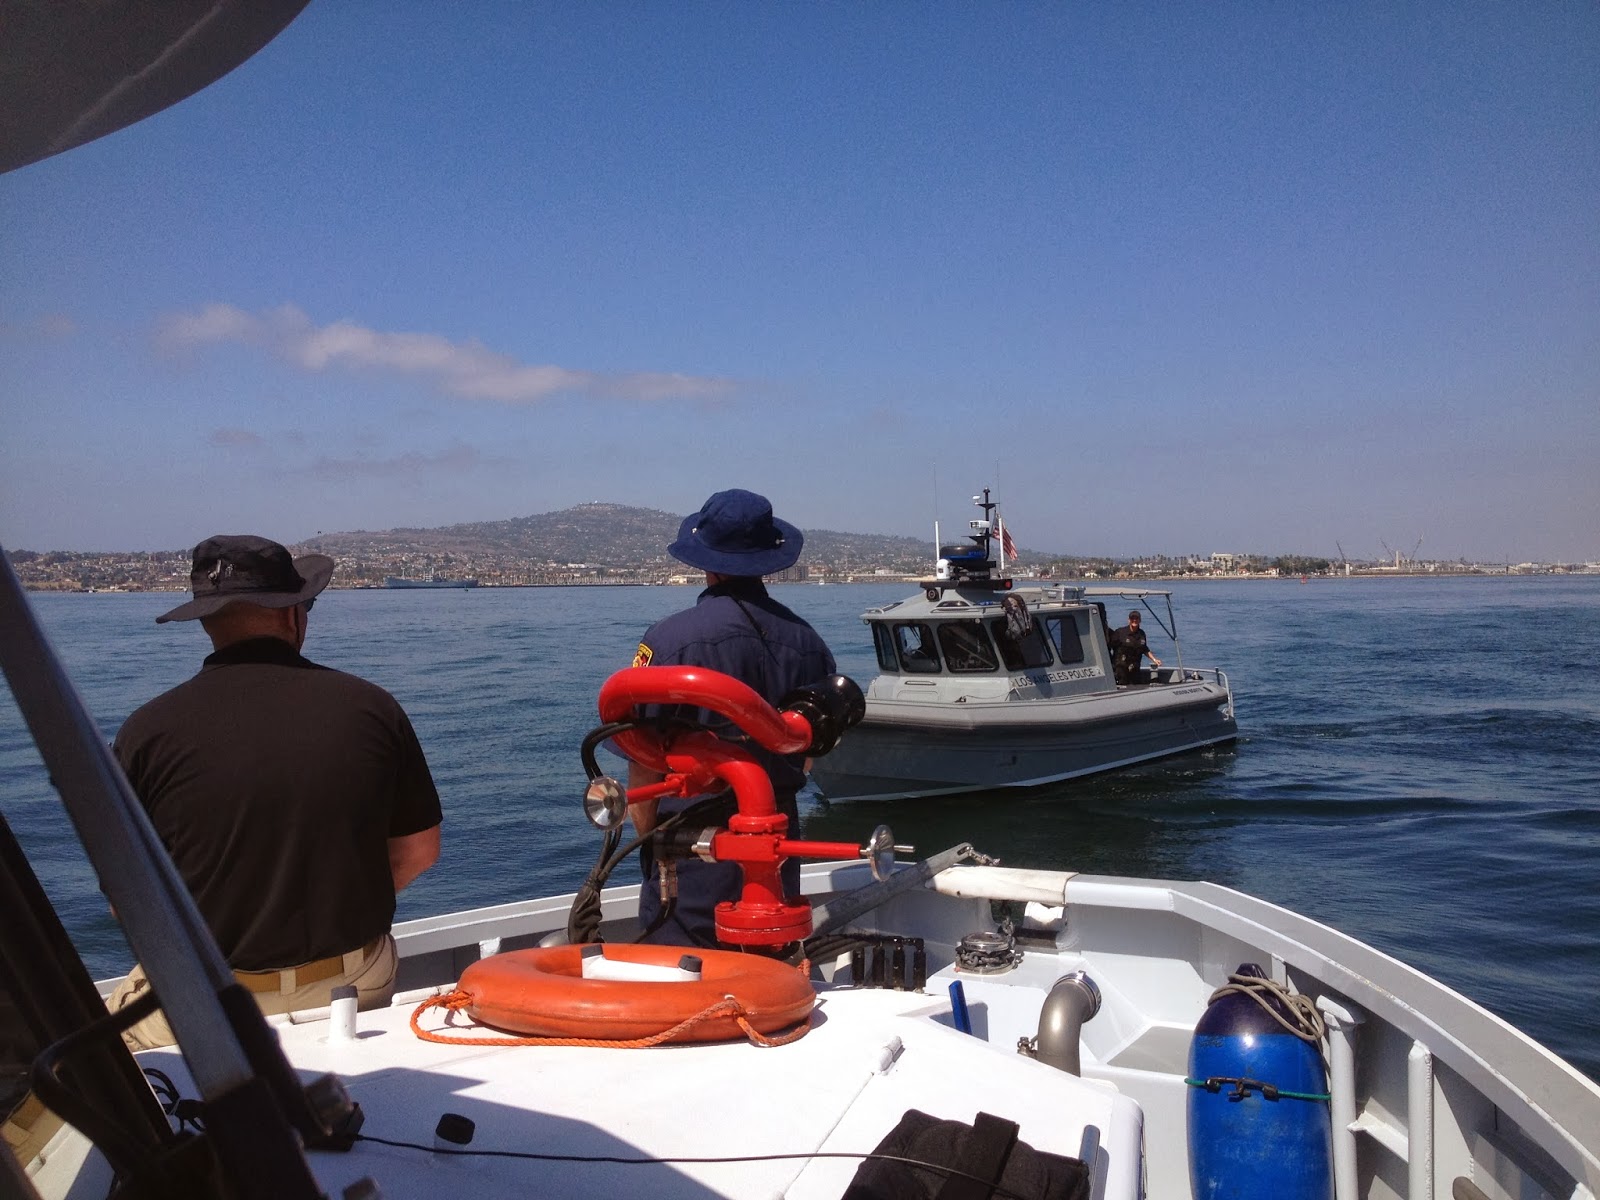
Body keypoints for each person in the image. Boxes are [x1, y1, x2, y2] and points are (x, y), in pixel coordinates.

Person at [107, 535, 442, 1049]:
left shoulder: (144, 733)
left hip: (205, 998)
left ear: (205, 620)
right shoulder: (372, 709)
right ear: (292, 615)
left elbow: (125, 902)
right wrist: (329, 899)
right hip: (350, 990)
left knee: (87, 1055)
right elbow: (418, 853)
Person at [625, 490, 836, 947]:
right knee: (768, 963)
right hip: (781, 839)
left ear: (706, 561)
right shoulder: (809, 643)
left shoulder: (669, 641)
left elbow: (643, 760)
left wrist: (653, 843)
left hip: (690, 845)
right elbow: (809, 757)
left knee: (681, 974)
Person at [1110, 609, 1162, 685]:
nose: (1134, 620)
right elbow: (1110, 646)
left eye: (1136, 618)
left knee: (1136, 686)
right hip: (1121, 668)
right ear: (1129, 620)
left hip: (1135, 668)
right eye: (1132, 618)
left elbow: (1144, 649)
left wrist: (1154, 659)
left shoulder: (1141, 634)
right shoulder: (1120, 632)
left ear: (1139, 620)